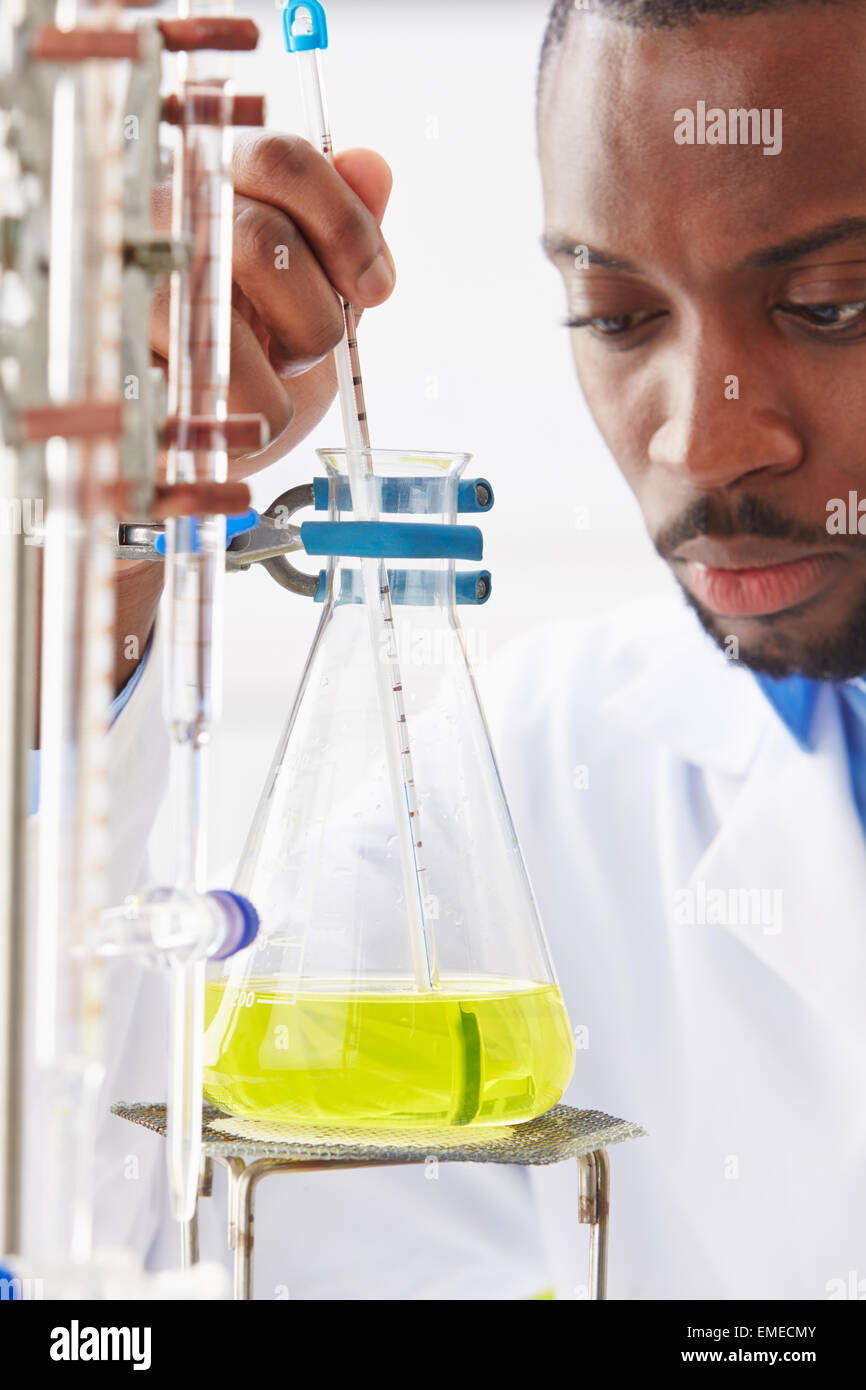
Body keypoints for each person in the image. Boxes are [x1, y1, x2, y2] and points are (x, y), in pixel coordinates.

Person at [96, 0, 866, 1297]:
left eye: (827, 305)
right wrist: (106, 538)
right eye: (617, 317)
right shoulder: (521, 789)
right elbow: (134, 1251)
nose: (699, 442)